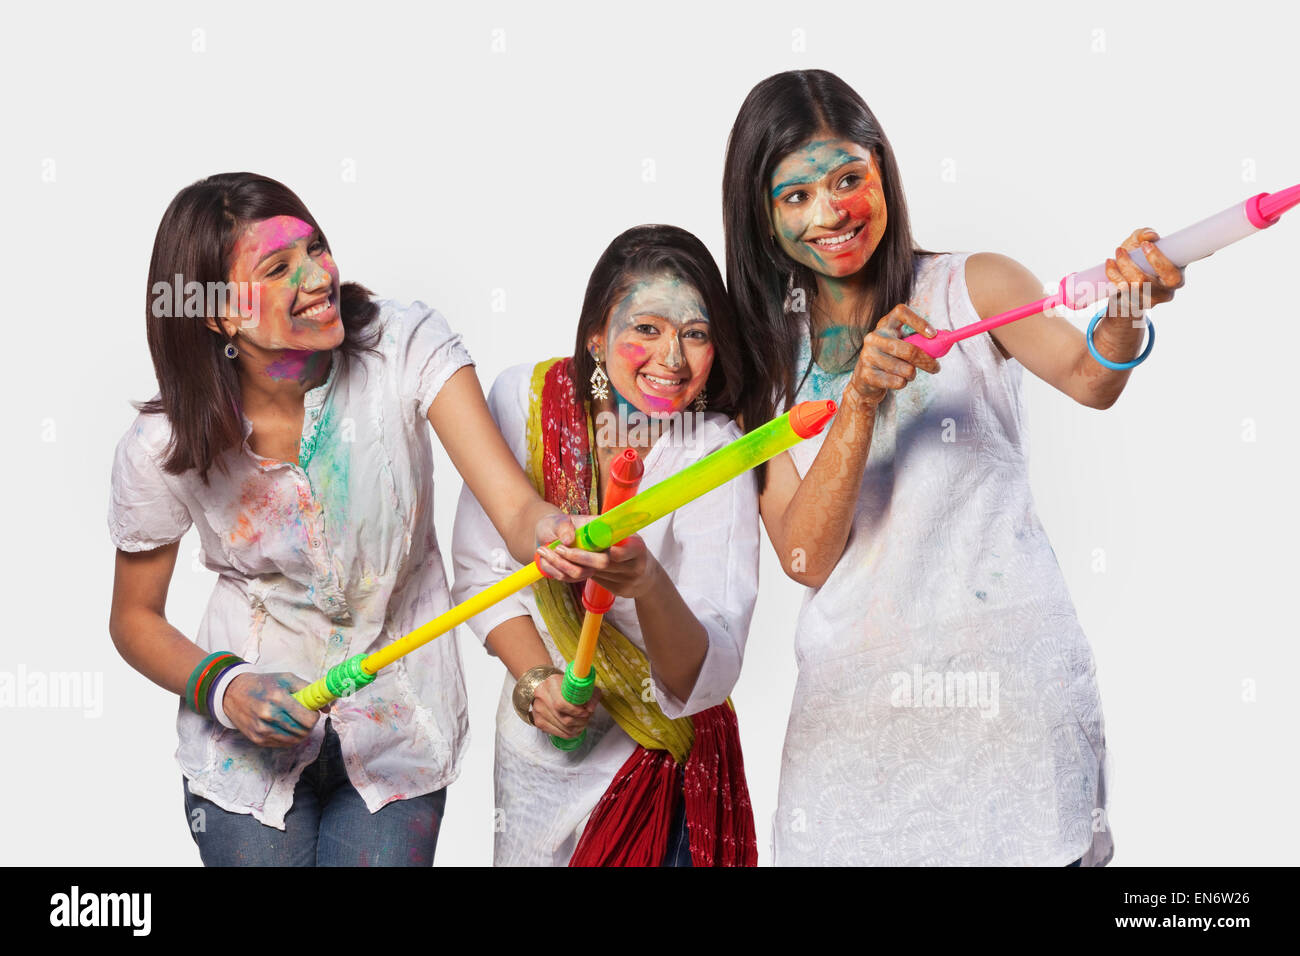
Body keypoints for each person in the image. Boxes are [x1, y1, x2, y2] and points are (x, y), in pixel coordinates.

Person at [722, 70, 1185, 866]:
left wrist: (1128, 310)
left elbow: (1090, 381)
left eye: (846, 179)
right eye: (795, 195)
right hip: (855, 735)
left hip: (1012, 708)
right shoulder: (757, 367)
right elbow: (805, 557)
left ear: (882, 171)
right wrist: (859, 401)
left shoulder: (973, 286)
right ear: (761, 215)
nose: (830, 213)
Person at [107, 172, 593, 866]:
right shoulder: (160, 447)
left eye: (317, 247)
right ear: (218, 315)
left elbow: (516, 509)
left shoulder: (406, 345)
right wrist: (226, 687)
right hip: (243, 758)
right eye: (279, 268)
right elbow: (134, 619)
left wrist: (551, 532)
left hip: (399, 734)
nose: (319, 275)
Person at [451, 225, 761, 866]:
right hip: (541, 760)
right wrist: (537, 680)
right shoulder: (526, 401)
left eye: (695, 334)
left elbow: (710, 669)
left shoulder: (714, 449)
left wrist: (648, 584)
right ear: (597, 333)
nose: (672, 358)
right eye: (646, 328)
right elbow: (481, 574)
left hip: (661, 763)